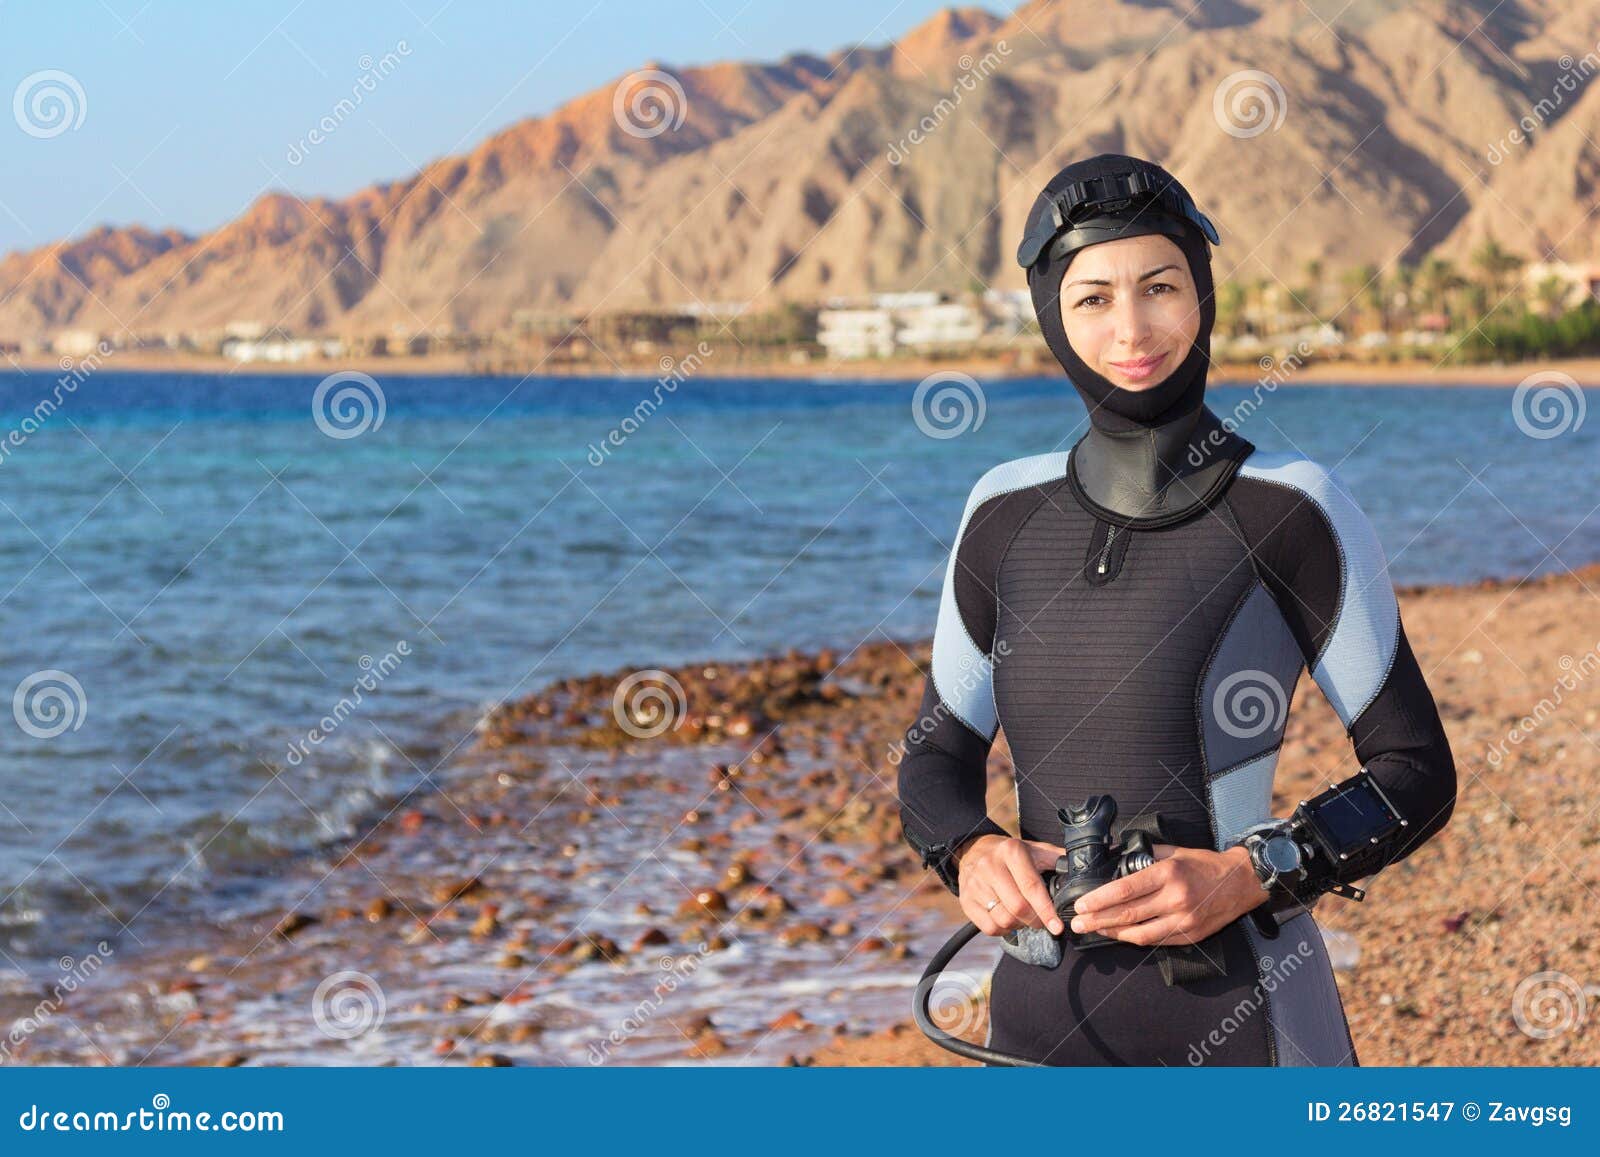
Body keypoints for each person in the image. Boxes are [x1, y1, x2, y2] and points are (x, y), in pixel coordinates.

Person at [896, 153, 1457, 1066]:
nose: (1131, 327)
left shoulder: (1291, 507)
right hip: (1037, 1020)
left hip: (1247, 1015)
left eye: (1159, 286)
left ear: (1201, 295)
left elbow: (1416, 768)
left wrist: (1253, 871)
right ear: (1051, 315)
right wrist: (969, 848)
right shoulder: (1001, 511)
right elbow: (935, 756)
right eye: (1092, 298)